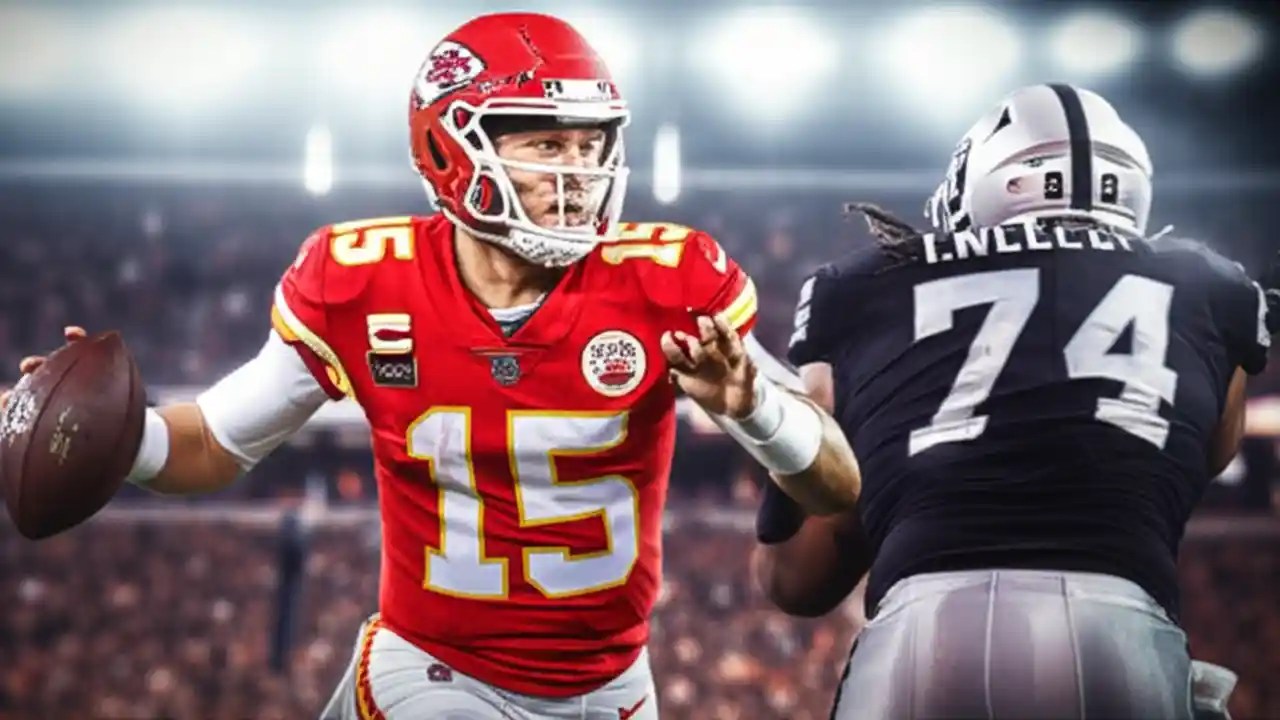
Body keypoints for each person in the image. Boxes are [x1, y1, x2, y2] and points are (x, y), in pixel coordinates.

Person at [1, 12, 861, 720]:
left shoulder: (669, 282)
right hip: (436, 674)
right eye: (546, 148)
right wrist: (115, 437)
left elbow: (835, 487)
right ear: (451, 150)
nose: (580, 176)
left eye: (590, 147)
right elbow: (214, 443)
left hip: (616, 689)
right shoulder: (360, 279)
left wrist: (752, 405)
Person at [753, 83, 1273, 719]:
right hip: (1124, 640)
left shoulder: (863, 284)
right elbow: (1216, 452)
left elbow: (796, 581)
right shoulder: (1213, 288)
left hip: (924, 640)